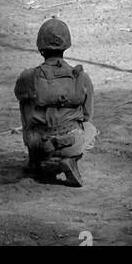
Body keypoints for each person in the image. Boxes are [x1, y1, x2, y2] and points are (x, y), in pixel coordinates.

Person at [14, 17, 95, 185]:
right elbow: (87, 116)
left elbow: (20, 98)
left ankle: (38, 162)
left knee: (25, 103)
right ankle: (68, 160)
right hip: (71, 142)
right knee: (90, 128)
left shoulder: (28, 77)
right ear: (66, 45)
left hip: (40, 144)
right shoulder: (81, 77)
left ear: (40, 46)